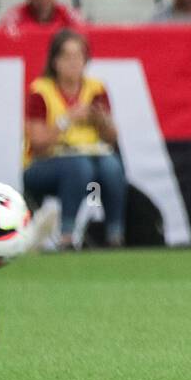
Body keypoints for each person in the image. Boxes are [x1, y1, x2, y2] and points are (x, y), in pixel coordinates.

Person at [23, 28, 126, 250]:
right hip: (45, 164)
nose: (73, 63)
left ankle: (115, 234)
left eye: (78, 56)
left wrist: (102, 120)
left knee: (112, 166)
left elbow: (112, 138)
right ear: (55, 61)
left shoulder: (95, 88)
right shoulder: (41, 90)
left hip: (92, 156)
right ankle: (67, 236)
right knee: (78, 167)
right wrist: (66, 119)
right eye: (67, 57)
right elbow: (37, 143)